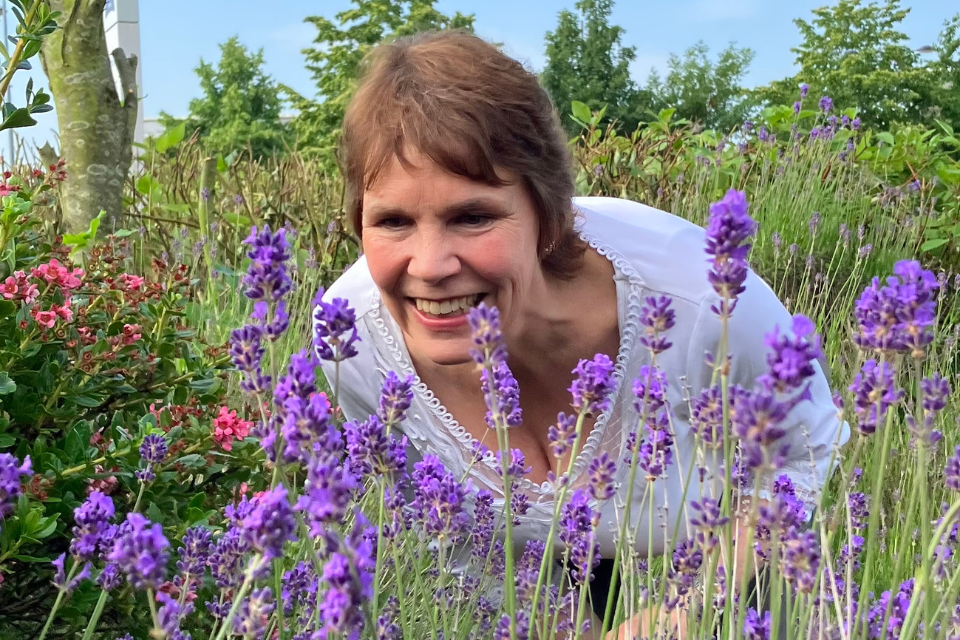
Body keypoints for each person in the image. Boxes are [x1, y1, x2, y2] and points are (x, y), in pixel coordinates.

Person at [316, 29, 849, 637]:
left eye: (473, 217)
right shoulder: (351, 341)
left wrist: (688, 611)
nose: (431, 265)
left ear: (548, 215)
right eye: (393, 221)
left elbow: (802, 454)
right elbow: (456, 541)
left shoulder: (707, 301)